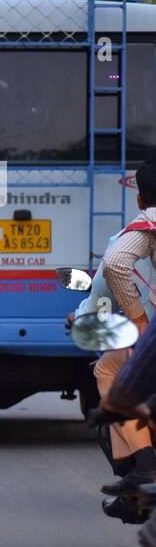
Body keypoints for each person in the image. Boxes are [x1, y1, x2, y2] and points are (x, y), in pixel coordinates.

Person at [88, 162, 156, 513]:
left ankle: (144, 466)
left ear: (142, 200)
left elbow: (114, 264)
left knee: (111, 373)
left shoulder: (148, 222)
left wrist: (140, 320)